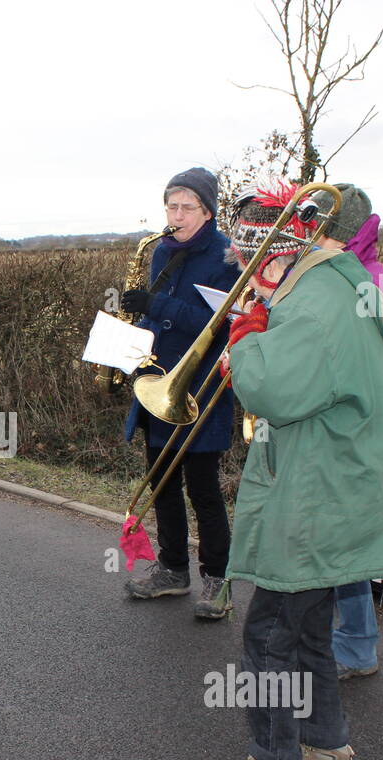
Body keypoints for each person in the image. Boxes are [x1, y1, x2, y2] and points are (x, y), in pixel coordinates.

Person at [199, 183, 383, 760]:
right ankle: (328, 751)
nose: (242, 269)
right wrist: (262, 326)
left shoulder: (315, 302)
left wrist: (245, 337)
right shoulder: (329, 284)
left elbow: (273, 391)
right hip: (337, 485)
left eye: (250, 255)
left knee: (269, 635)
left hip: (320, 494)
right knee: (310, 632)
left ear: (278, 249)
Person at [121, 168, 243, 619]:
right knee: (162, 483)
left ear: (208, 212)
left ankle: (218, 580)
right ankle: (173, 570)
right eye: (171, 206)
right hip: (158, 384)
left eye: (186, 207)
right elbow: (159, 321)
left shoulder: (228, 256)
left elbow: (223, 328)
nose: (176, 215)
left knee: (204, 490)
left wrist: (158, 306)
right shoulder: (161, 253)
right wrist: (136, 338)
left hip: (201, 388)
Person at [318, 185, 383, 680]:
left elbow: (382, 356)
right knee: (337, 539)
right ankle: (343, 638)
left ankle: (356, 645)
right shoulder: (353, 272)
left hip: (359, 425)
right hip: (351, 421)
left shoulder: (364, 277)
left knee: (346, 544)